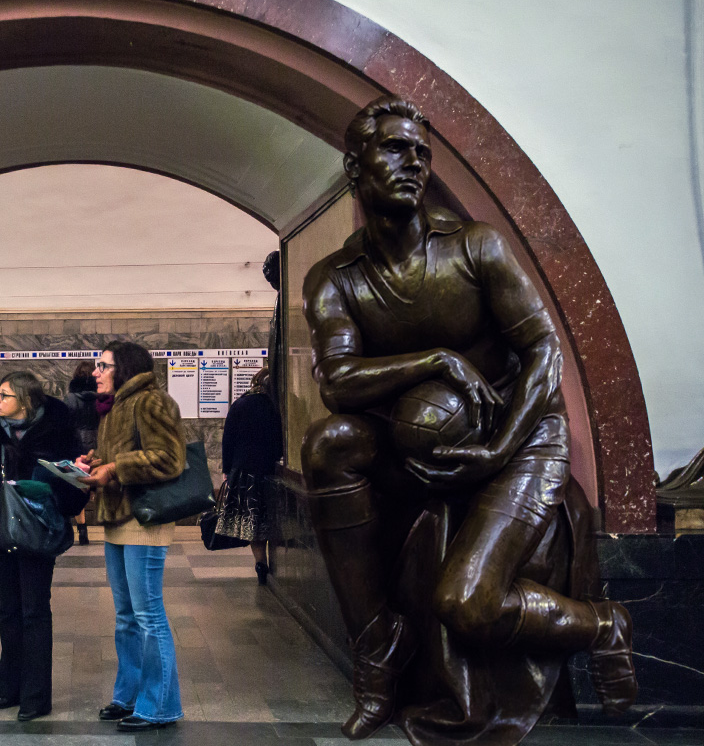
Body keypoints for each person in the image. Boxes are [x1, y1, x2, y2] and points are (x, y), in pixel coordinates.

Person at [300, 96, 635, 743]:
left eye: (421, 152)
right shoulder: (334, 278)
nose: (414, 163)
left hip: (521, 438)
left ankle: (603, 623)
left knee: (467, 603)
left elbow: (543, 350)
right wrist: (437, 359)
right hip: (426, 442)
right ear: (355, 166)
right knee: (328, 444)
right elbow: (337, 382)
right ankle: (379, 649)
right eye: (395, 148)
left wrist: (501, 446)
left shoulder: (474, 246)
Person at [0, 371, 85, 722]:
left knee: (34, 611)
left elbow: (77, 481)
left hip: (37, 532)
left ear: (25, 400)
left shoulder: (57, 426)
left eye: (4, 395)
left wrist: (51, 491)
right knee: (9, 610)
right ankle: (10, 688)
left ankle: (36, 697)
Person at [76, 341, 186, 732]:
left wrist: (115, 469)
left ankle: (159, 706)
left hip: (144, 520)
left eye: (102, 365)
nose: (95, 372)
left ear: (123, 369)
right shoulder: (114, 407)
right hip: (118, 519)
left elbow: (170, 458)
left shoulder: (152, 401)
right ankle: (129, 695)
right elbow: (124, 454)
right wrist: (93, 463)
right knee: (126, 617)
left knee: (148, 615)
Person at [216, 367, 283, 584]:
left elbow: (228, 441)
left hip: (246, 473)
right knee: (273, 519)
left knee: (253, 523)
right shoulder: (278, 407)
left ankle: (260, 562)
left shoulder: (241, 405)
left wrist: (227, 470)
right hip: (273, 471)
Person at [64, 360, 100, 544]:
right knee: (101, 482)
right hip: (98, 445)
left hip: (76, 446)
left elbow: (64, 424)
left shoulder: (70, 399)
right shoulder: (102, 398)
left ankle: (82, 530)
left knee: (78, 486)